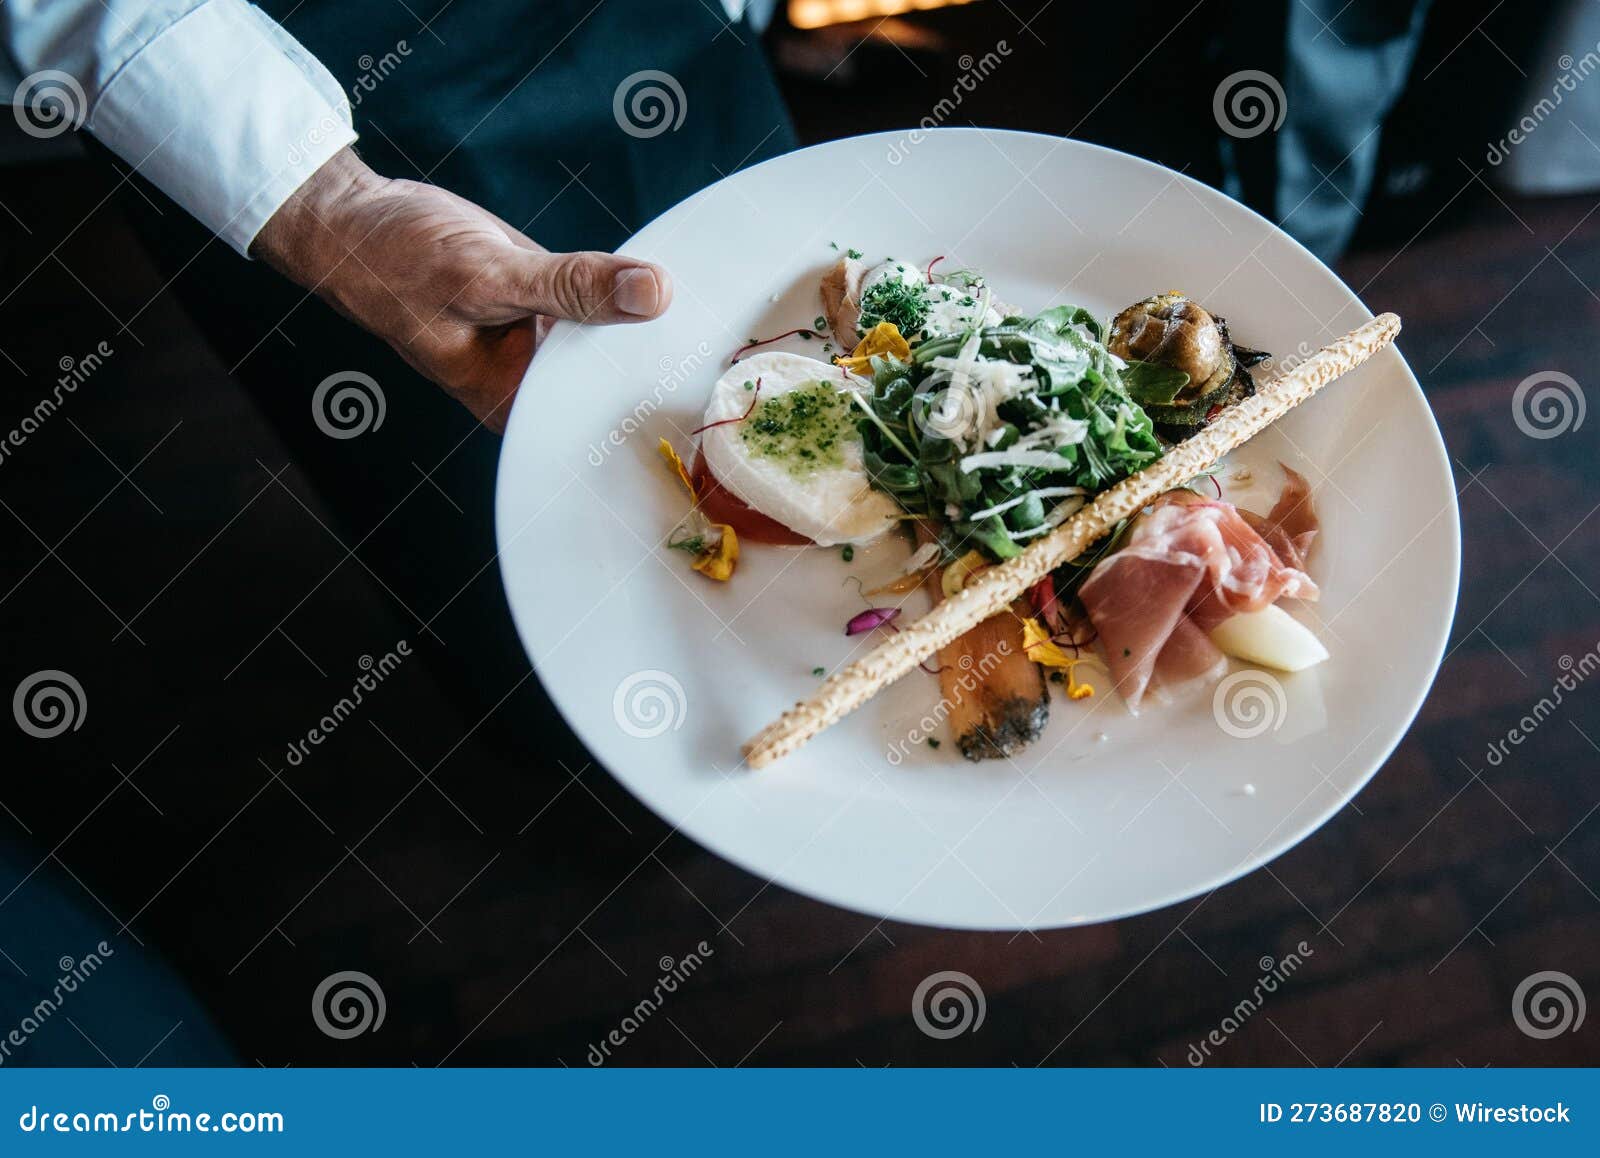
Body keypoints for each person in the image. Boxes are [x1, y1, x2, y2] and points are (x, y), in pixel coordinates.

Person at [3, 0, 795, 1062]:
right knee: (503, 524)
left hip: (672, 45)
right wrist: (330, 206)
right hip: (344, 115)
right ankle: (600, 775)